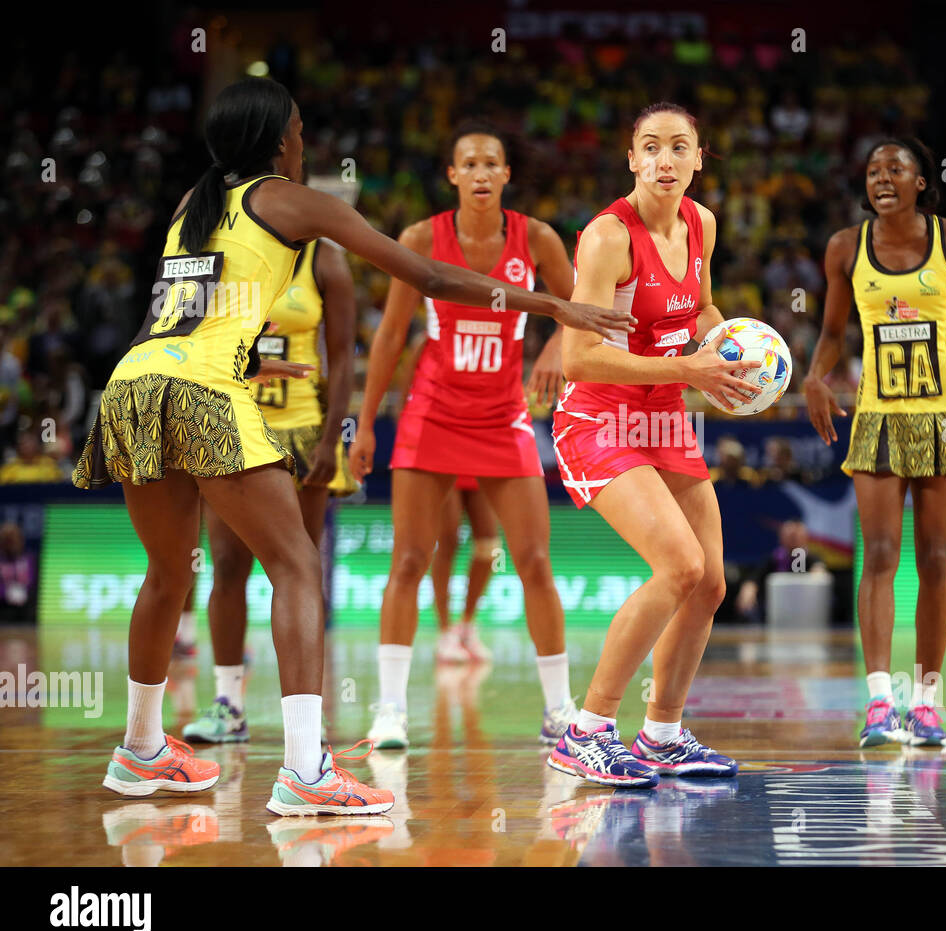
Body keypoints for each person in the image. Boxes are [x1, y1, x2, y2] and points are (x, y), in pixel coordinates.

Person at [70, 77, 632, 815]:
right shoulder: (288, 198)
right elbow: (427, 275)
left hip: (137, 383)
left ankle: (140, 750)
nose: (305, 142)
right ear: (279, 140)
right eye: (299, 129)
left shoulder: (191, 205)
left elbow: (183, 317)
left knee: (167, 575)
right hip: (201, 393)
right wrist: (550, 303)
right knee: (299, 565)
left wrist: (251, 357)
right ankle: (306, 771)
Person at [350, 121, 585, 748]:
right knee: (407, 560)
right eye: (469, 164)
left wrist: (559, 343)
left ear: (507, 175)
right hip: (432, 411)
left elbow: (576, 310)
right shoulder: (422, 238)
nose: (481, 173)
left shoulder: (536, 238)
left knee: (534, 559)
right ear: (453, 176)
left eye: (492, 164)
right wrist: (366, 423)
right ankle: (391, 711)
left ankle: (561, 712)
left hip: (504, 413)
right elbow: (392, 333)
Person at [547, 102, 762, 787]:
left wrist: (730, 350)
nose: (665, 160)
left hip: (664, 413)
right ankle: (586, 732)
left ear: (699, 159)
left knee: (710, 582)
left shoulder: (702, 223)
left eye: (679, 147)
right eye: (651, 147)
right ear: (631, 159)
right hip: (598, 416)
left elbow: (698, 307)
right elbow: (578, 358)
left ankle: (662, 735)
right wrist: (686, 369)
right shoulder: (609, 238)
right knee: (677, 565)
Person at [804, 137, 946, 748]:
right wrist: (814, 375)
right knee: (881, 555)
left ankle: (928, 705)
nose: (882, 179)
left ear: (922, 182)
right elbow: (834, 333)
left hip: (941, 415)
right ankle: (879, 704)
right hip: (878, 417)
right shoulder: (845, 248)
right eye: (872, 171)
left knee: (936, 560)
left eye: (896, 169)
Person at [181, 235, 358, 744]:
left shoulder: (324, 257)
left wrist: (332, 437)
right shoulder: (225, 251)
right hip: (233, 427)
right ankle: (228, 703)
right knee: (228, 565)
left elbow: (343, 357)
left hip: (302, 431)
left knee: (302, 570)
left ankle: (306, 711)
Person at [430, 477, 498, 663]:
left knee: (490, 545)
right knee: (448, 541)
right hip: (448, 461)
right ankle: (445, 631)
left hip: (481, 463)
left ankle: (466, 627)